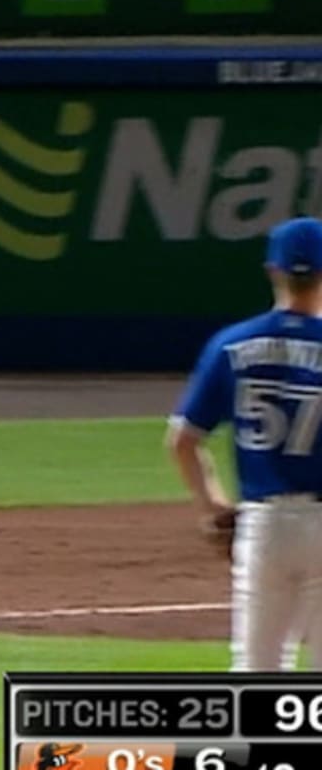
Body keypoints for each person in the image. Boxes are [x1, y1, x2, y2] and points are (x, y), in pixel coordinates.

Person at [167, 216, 322, 671]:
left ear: (272, 271)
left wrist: (212, 504)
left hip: (264, 526)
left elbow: (182, 441)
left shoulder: (232, 344)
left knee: (256, 672)